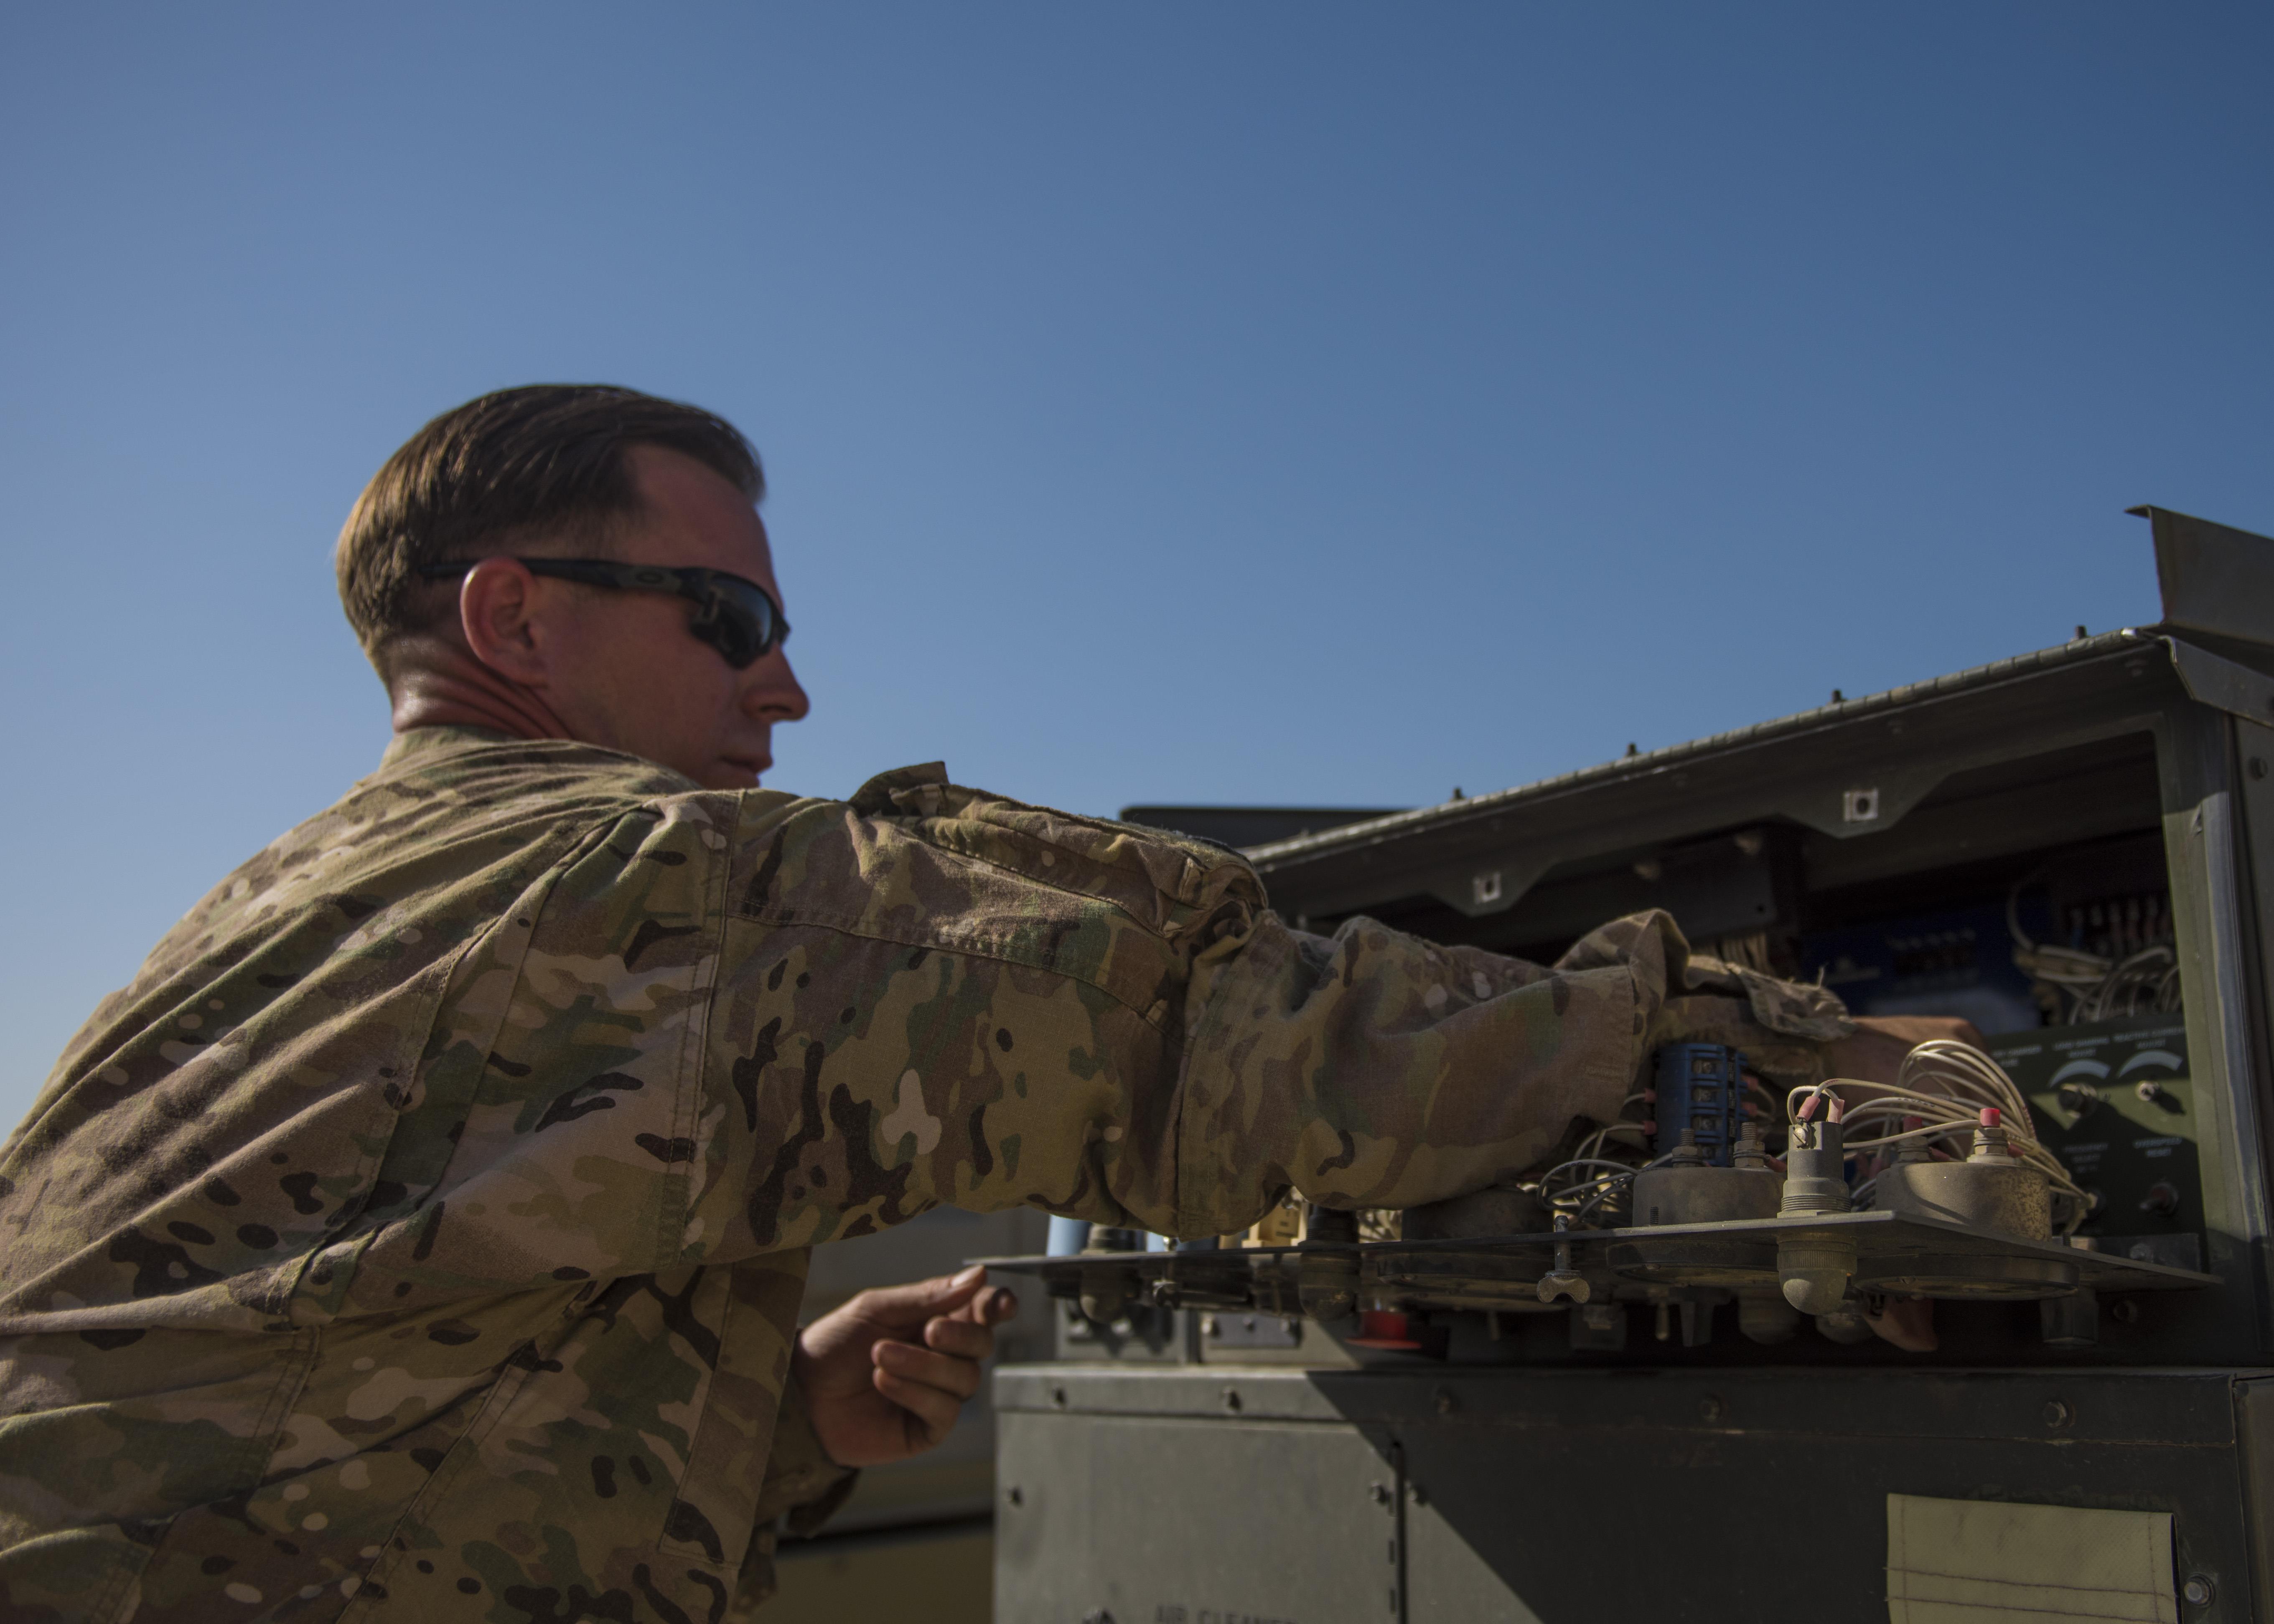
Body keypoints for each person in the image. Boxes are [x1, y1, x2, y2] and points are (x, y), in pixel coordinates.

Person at [0, 385, 1959, 1622]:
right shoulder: (630, 886)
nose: (785, 690)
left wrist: (770, 1418)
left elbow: (306, 1381)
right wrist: (1794, 1044)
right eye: (730, 620)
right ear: (513, 616)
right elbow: (1245, 1056)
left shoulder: (276, 905)